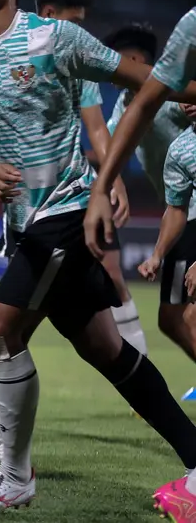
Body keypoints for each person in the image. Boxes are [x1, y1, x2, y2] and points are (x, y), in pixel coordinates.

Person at [0, 0, 196, 514]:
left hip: (69, 209)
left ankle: (13, 476)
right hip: (24, 225)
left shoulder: (57, 39)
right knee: (104, 348)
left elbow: (150, 82)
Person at [35, 0, 144, 356]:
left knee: (109, 278)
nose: (83, 31)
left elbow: (96, 127)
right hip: (24, 204)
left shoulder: (77, 66)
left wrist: (113, 180)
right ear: (49, 14)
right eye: (76, 22)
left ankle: (140, 366)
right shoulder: (10, 57)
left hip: (70, 199)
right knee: (15, 317)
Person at [105, 25, 196, 360]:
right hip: (179, 210)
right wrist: (114, 184)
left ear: (134, 59)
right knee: (172, 319)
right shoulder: (128, 104)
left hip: (191, 208)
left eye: (114, 61)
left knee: (181, 316)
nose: (110, 70)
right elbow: (109, 145)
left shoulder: (169, 93)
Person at [137, 126, 196, 355]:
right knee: (175, 318)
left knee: (187, 316)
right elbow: (176, 208)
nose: (187, 101)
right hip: (190, 225)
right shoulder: (181, 150)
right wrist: (157, 255)